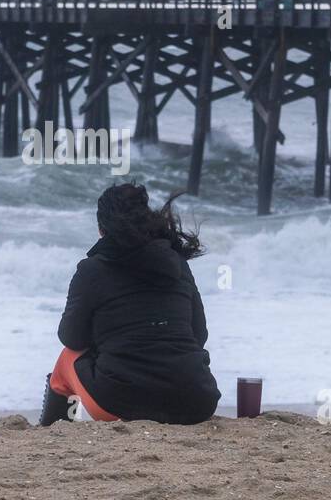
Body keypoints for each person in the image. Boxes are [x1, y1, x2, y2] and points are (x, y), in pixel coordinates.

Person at [39, 183, 220, 426]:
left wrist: (108, 341)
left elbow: (71, 337)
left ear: (102, 229)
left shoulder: (91, 270)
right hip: (195, 402)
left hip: (120, 404)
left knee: (67, 359)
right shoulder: (177, 263)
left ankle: (53, 430)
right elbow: (199, 334)